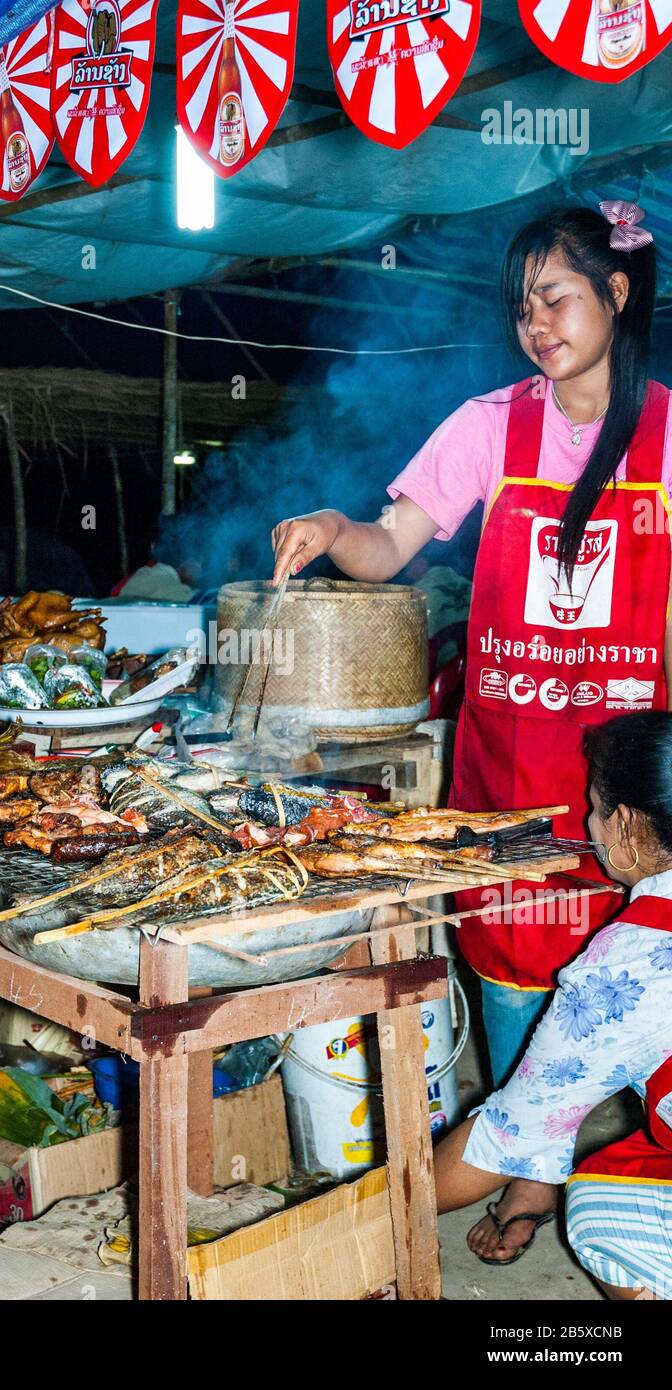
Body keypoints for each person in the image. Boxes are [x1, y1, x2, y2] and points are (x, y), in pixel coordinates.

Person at [271, 203, 672, 1086]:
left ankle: (627, 1166)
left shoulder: (669, 433)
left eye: (555, 300)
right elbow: (385, 549)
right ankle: (521, 1168)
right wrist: (332, 523)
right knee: (509, 972)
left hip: (633, 787)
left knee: (641, 985)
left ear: (616, 292)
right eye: (524, 308)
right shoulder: (488, 425)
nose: (535, 325)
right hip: (506, 773)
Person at [433, 712, 672, 1295]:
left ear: (626, 823)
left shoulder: (634, 963)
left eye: (594, 807)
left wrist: (371, 1211)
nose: (589, 826)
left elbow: (512, 1131)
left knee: (596, 1207)